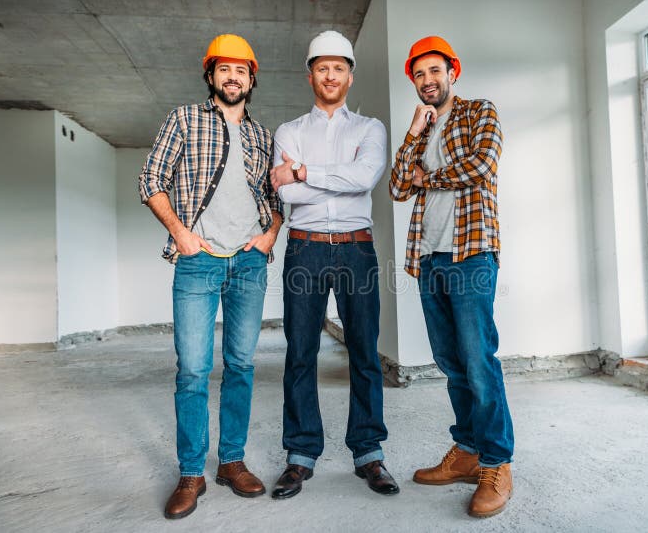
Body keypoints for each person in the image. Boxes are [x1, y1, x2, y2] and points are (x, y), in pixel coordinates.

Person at [138, 33, 283, 519]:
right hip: (197, 259)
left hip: (248, 261)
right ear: (210, 75)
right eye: (224, 69)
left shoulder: (264, 137)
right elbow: (150, 179)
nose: (233, 77)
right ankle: (192, 472)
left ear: (252, 79)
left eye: (242, 70)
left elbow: (277, 198)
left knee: (241, 365)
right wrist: (180, 232)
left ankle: (233, 461)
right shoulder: (184, 119)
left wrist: (270, 235)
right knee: (194, 370)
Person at [268, 30, 398, 499]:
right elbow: (286, 194)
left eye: (338, 67)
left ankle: (368, 454)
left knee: (364, 352)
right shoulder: (289, 132)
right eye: (322, 67)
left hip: (356, 248)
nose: (330, 75)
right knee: (300, 352)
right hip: (304, 248)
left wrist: (303, 171)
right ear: (310, 75)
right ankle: (300, 456)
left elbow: (365, 178)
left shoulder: (370, 129)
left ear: (349, 74)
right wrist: (331, 182)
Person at [389, 35, 514, 518]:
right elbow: (401, 186)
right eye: (419, 75)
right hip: (430, 258)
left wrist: (428, 177)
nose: (427, 81)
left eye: (434, 71)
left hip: (471, 253)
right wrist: (414, 134)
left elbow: (481, 164)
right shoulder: (422, 127)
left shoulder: (479, 110)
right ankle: (466, 451)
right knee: (450, 360)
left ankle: (498, 462)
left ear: (452, 73)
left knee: (479, 359)